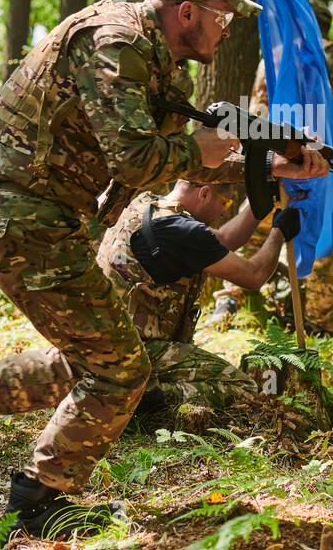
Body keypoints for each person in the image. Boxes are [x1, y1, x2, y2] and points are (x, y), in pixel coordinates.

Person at [0, 0, 328, 539]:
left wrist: (271, 163)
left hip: (56, 223)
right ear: (186, 11)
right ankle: (37, 499)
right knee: (126, 367)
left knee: (96, 354)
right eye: (222, 17)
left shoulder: (164, 68)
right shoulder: (116, 43)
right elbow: (141, 160)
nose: (227, 30)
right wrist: (218, 147)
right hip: (23, 220)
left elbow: (170, 167)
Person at [216, 0, 333, 334]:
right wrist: (329, 127)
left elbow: (257, 109)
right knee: (316, 232)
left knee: (256, 217)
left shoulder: (276, 54)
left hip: (273, 155)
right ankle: (318, 318)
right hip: (316, 160)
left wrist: (275, 139)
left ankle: (229, 301)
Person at [97, 180, 300, 421]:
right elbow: (253, 276)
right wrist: (279, 233)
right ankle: (142, 401)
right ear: (204, 194)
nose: (225, 211)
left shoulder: (145, 205)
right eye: (224, 202)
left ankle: (119, 389)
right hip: (134, 351)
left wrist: (261, 201)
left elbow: (223, 240)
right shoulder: (183, 230)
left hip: (102, 342)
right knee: (242, 388)